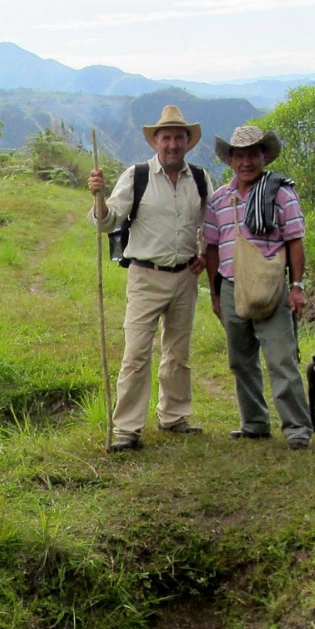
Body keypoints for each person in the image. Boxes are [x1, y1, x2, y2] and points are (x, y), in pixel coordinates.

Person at [87, 105, 209, 452]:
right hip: (145, 276)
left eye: (178, 138)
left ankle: (174, 416)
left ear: (187, 142)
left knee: (178, 352)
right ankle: (127, 429)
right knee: (136, 353)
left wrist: (203, 251)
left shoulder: (199, 178)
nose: (172, 144)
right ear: (155, 141)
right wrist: (99, 196)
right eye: (166, 137)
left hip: (185, 276)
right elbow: (106, 221)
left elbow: (208, 222)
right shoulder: (137, 176)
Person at [202, 124, 314, 450]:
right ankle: (254, 423)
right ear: (230, 160)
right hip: (230, 287)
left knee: (281, 359)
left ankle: (297, 429)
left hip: (272, 288)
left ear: (264, 157)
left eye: (253, 155)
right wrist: (215, 294)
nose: (246, 162)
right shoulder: (219, 200)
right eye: (240, 156)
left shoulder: (281, 194)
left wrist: (296, 286)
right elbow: (211, 248)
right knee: (241, 360)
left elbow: (295, 241)